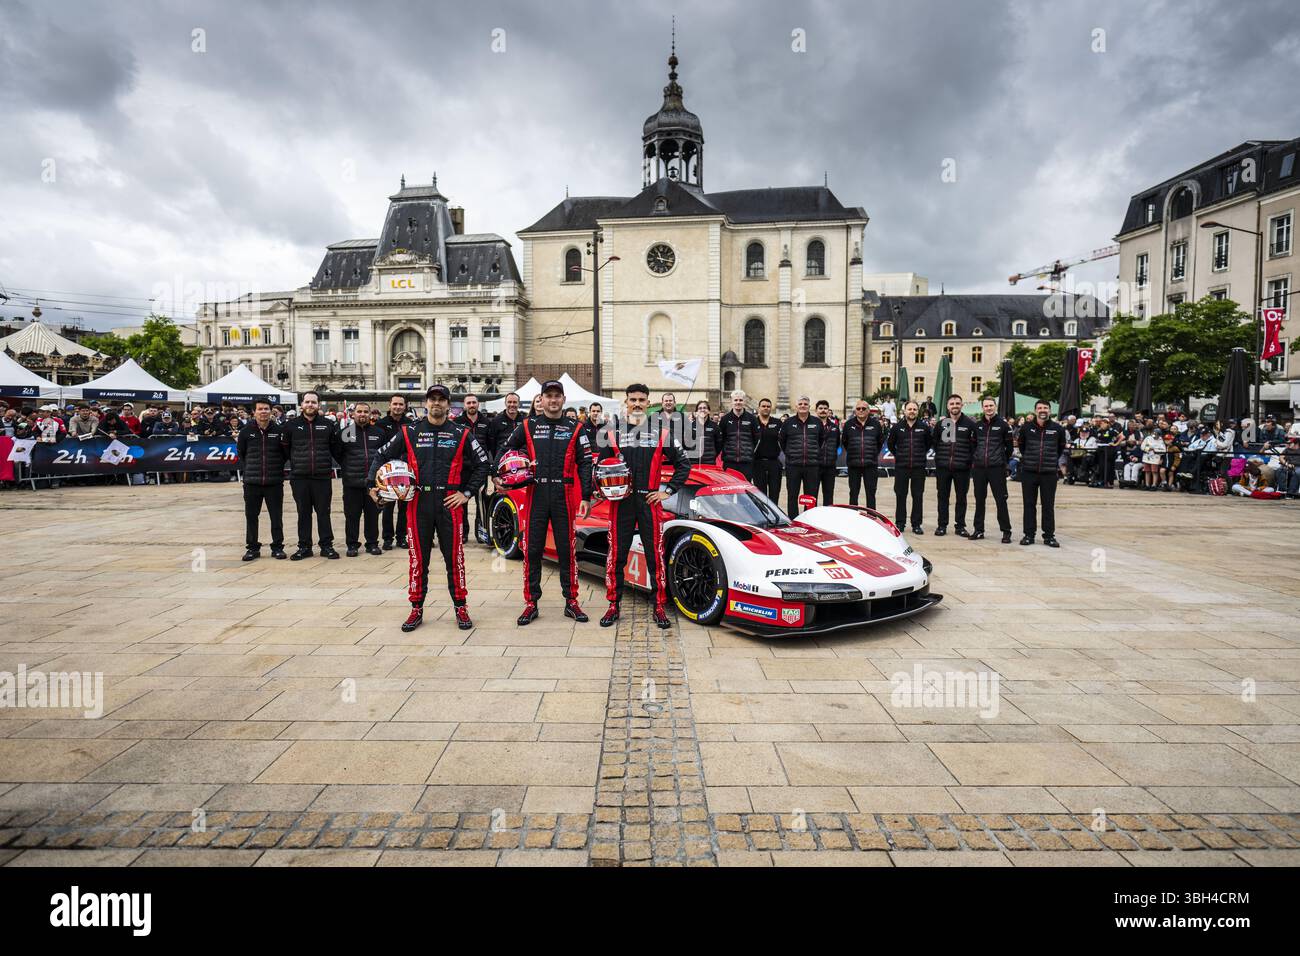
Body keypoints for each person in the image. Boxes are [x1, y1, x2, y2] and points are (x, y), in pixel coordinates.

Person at [367, 384, 491, 632]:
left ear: (448, 404)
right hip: (417, 502)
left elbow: (483, 464)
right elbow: (380, 455)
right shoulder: (409, 431)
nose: (437, 403)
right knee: (418, 559)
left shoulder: (461, 432)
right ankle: (416, 608)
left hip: (449, 503)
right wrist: (373, 484)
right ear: (426, 403)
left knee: (454, 559)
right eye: (432, 399)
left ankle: (461, 607)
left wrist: (466, 493)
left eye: (441, 400)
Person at [500, 380, 594, 625]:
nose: (553, 400)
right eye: (548, 396)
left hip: (564, 494)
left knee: (567, 550)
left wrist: (585, 496)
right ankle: (531, 603)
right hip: (536, 493)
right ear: (540, 400)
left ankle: (571, 601)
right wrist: (509, 471)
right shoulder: (528, 425)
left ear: (563, 400)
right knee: (531, 549)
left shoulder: (576, 427)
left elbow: (585, 464)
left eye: (557, 396)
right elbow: (506, 449)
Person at [599, 383, 690, 629]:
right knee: (616, 555)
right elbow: (598, 468)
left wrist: (667, 491)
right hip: (621, 504)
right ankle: (613, 605)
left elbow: (684, 465)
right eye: (633, 400)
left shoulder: (661, 432)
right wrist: (604, 491)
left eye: (642, 399)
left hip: (650, 502)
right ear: (626, 402)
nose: (637, 404)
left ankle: (659, 606)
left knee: (655, 557)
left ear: (649, 403)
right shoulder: (611, 432)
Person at [281, 390, 344, 560]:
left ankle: (327, 546)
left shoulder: (328, 425)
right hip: (300, 477)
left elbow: (335, 449)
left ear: (318, 405)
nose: (310, 405)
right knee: (303, 513)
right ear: (302, 404)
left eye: (313, 402)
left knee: (324, 512)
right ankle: (304, 547)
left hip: (322, 477)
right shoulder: (290, 426)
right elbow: (285, 450)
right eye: (307, 402)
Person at [236, 400, 287, 561]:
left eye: (266, 409)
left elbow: (285, 454)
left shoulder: (279, 431)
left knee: (276, 516)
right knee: (251, 516)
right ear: (254, 412)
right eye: (260, 409)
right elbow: (241, 454)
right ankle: (252, 548)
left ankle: (277, 547)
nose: (263, 412)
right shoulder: (245, 431)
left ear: (271, 411)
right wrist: (251, 469)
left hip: (274, 481)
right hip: (252, 481)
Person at [337, 401, 385, 557]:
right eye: (359, 411)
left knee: (372, 515)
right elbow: (337, 454)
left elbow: (383, 455)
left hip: (373, 484)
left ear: (370, 414)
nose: (362, 414)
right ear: (353, 414)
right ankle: (352, 544)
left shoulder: (378, 432)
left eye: (365, 411)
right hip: (352, 483)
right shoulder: (345, 432)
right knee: (352, 516)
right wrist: (348, 468)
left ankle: (372, 543)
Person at [1017, 399, 1067, 547]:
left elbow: (1060, 448)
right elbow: (1021, 446)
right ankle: (1029, 535)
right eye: (1040, 408)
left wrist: (1049, 461)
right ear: (1035, 410)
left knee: (1048, 505)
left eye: (1045, 408)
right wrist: (1030, 459)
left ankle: (1049, 536)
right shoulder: (1026, 428)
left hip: (1049, 473)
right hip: (1029, 472)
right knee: (1029, 504)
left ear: (1050, 411)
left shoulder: (1058, 429)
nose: (1042, 410)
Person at [970, 397, 1014, 543]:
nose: (988, 408)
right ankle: (978, 530)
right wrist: (977, 459)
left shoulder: (1003, 425)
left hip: (997, 469)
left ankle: (1006, 531)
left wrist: (1001, 461)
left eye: (991, 405)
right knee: (979, 500)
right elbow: (973, 445)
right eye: (986, 406)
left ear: (995, 407)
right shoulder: (977, 426)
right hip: (980, 469)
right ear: (982, 408)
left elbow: (1009, 448)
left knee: (1001, 500)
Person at [374, 395, 413, 550]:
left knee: (404, 507)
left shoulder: (411, 424)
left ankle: (401, 537)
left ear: (405, 407)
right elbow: (377, 448)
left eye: (400, 404)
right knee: (388, 507)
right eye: (395, 404)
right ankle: (387, 538)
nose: (397, 407)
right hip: (387, 472)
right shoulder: (380, 424)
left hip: (406, 472)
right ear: (390, 405)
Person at [933, 394, 975, 536]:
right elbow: (936, 443)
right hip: (944, 467)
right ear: (947, 406)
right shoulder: (944, 424)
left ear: (962, 405)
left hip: (962, 468)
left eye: (957, 403)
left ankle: (960, 526)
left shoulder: (969, 424)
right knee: (943, 497)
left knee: (961, 498)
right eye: (952, 403)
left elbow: (974, 445)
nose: (955, 406)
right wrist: (940, 459)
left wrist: (968, 460)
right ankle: (942, 525)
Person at [887, 400, 931, 534]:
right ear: (904, 411)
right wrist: (899, 455)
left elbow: (928, 444)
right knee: (901, 495)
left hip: (918, 467)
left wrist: (919, 455)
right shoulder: (897, 427)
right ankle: (900, 523)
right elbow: (890, 445)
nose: (912, 411)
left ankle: (916, 524)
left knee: (917, 496)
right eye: (909, 409)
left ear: (918, 411)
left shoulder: (924, 427)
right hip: (902, 467)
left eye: (914, 409)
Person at [458, 393, 494, 544]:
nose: (471, 405)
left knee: (481, 504)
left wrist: (492, 466)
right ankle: (463, 534)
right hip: (463, 469)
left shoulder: (486, 422)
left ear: (478, 404)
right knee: (462, 503)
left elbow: (491, 445)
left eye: (474, 402)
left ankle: (481, 533)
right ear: (464, 405)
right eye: (469, 403)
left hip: (481, 470)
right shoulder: (457, 422)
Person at [779, 396, 823, 517]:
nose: (803, 406)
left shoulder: (817, 422)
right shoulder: (788, 423)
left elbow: (821, 441)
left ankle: (809, 519)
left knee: (811, 496)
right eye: (800, 404)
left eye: (805, 404)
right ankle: (793, 519)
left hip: (812, 466)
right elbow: (782, 441)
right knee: (792, 495)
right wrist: (790, 454)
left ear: (809, 407)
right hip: (793, 465)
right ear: (796, 406)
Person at [842, 400, 884, 509]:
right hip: (853, 464)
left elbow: (880, 442)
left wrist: (872, 454)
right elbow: (845, 442)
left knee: (871, 494)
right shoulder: (848, 425)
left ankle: (871, 518)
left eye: (864, 408)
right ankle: (852, 517)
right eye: (858, 408)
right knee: (853, 493)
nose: (861, 410)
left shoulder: (876, 425)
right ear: (855, 410)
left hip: (870, 464)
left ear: (868, 411)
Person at [718, 390, 760, 479]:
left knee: (745, 490)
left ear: (744, 401)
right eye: (736, 400)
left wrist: (750, 453)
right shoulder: (725, 419)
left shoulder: (752, 419)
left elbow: (757, 438)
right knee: (730, 489)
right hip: (729, 462)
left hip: (746, 462)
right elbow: (721, 439)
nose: (738, 402)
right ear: (731, 401)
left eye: (740, 400)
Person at [752, 397, 783, 504]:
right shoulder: (753, 422)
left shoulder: (777, 423)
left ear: (771, 408)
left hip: (774, 462)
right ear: (759, 408)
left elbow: (783, 440)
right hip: (757, 463)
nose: (766, 408)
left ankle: (775, 517)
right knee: (760, 494)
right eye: (763, 406)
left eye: (768, 406)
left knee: (775, 492)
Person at [814, 399, 840, 505]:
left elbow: (837, 443)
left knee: (829, 495)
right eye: (820, 408)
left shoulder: (834, 427)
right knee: (812, 495)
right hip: (815, 466)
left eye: (825, 408)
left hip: (830, 466)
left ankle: (827, 518)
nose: (823, 410)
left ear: (828, 410)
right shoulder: (812, 426)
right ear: (816, 410)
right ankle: (810, 518)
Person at [683, 399, 720, 466]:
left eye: (705, 408)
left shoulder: (715, 426)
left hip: (709, 462)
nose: (702, 410)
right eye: (700, 408)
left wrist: (712, 454)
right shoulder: (690, 426)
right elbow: (686, 445)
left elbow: (719, 445)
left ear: (708, 411)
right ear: (696, 412)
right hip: (693, 463)